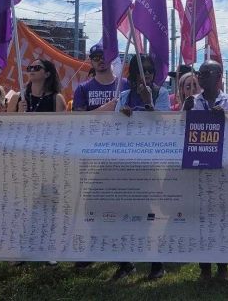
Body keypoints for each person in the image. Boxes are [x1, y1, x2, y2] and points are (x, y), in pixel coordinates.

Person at [111, 54, 170, 280]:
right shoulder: (124, 96)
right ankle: (126, 262)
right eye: (142, 71)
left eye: (150, 71)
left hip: (151, 161)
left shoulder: (160, 93)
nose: (146, 75)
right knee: (124, 210)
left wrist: (148, 104)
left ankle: (157, 263)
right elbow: (116, 128)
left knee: (150, 211)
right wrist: (123, 117)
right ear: (134, 74)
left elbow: (164, 125)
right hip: (127, 161)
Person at [188, 60, 228, 281]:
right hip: (199, 167)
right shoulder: (192, 101)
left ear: (219, 76)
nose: (201, 77)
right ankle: (204, 268)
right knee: (202, 217)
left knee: (222, 217)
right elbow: (181, 132)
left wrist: (226, 119)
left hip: (224, 166)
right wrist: (183, 115)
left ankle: (222, 266)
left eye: (207, 73)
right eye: (200, 74)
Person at [73, 44, 128, 111]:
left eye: (104, 57)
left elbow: (138, 112)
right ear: (91, 62)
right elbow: (78, 119)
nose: (100, 60)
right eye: (96, 58)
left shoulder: (126, 84)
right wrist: (104, 109)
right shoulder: (82, 89)